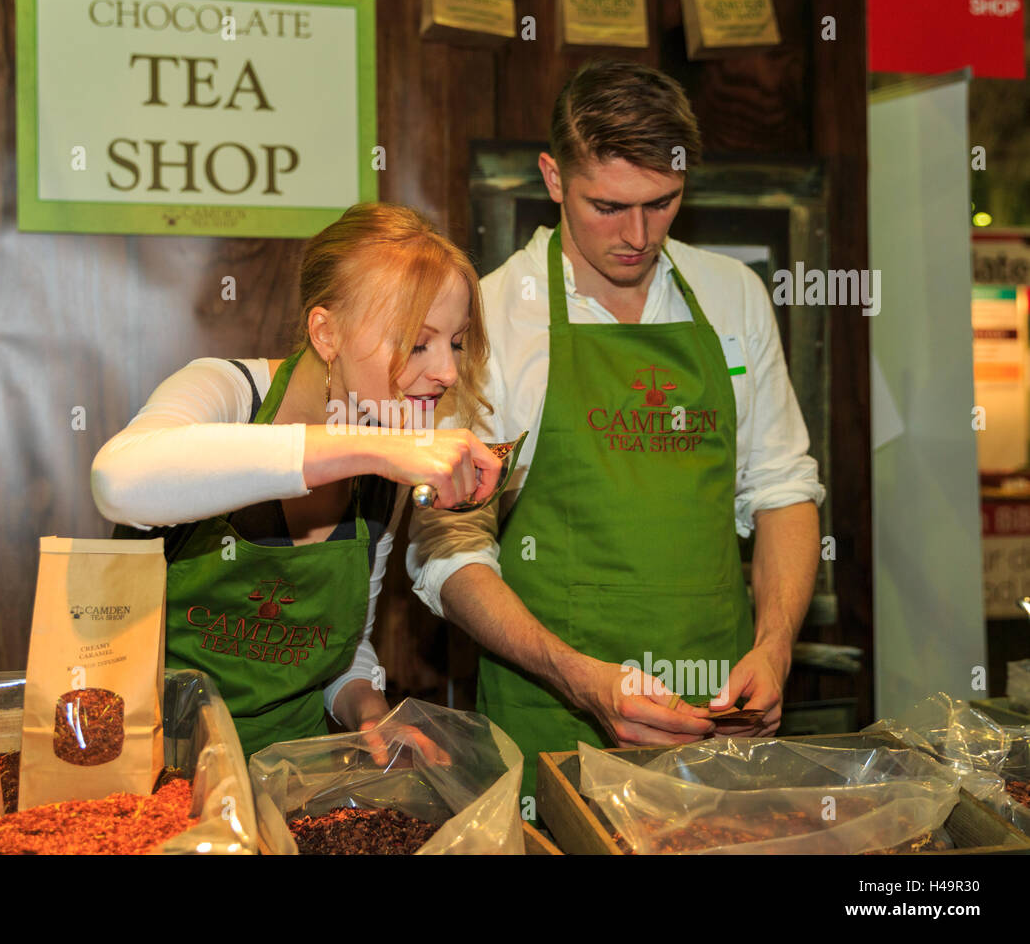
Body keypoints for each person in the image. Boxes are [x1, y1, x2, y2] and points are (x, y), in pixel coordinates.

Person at [407, 60, 825, 796]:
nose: (637, 235)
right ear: (552, 177)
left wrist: (775, 647)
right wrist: (581, 680)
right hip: (553, 721)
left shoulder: (734, 297)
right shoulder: (495, 315)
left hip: (714, 711)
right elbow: (447, 546)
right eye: (607, 206)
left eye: (662, 203)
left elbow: (782, 489)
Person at [91, 202, 502, 758]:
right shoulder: (227, 391)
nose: (447, 372)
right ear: (326, 332)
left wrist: (369, 713)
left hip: (286, 774)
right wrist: (378, 448)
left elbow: (342, 649)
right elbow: (120, 481)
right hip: (150, 773)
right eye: (416, 343)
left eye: (455, 343)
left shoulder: (386, 466)